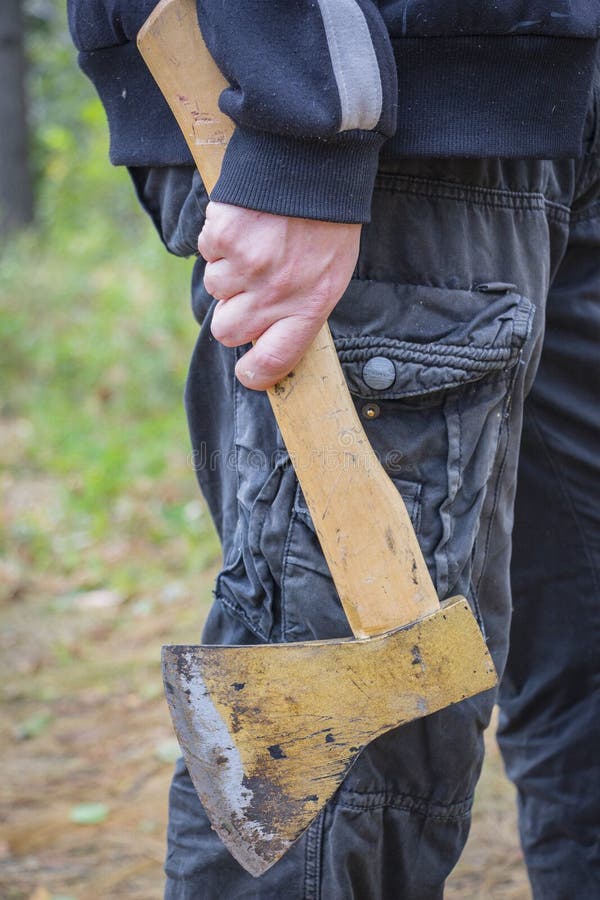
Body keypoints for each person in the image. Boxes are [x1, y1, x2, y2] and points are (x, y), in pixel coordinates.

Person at [68, 2, 600, 897]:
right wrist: (305, 119)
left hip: (548, 86)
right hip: (369, 107)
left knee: (582, 631)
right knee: (348, 732)